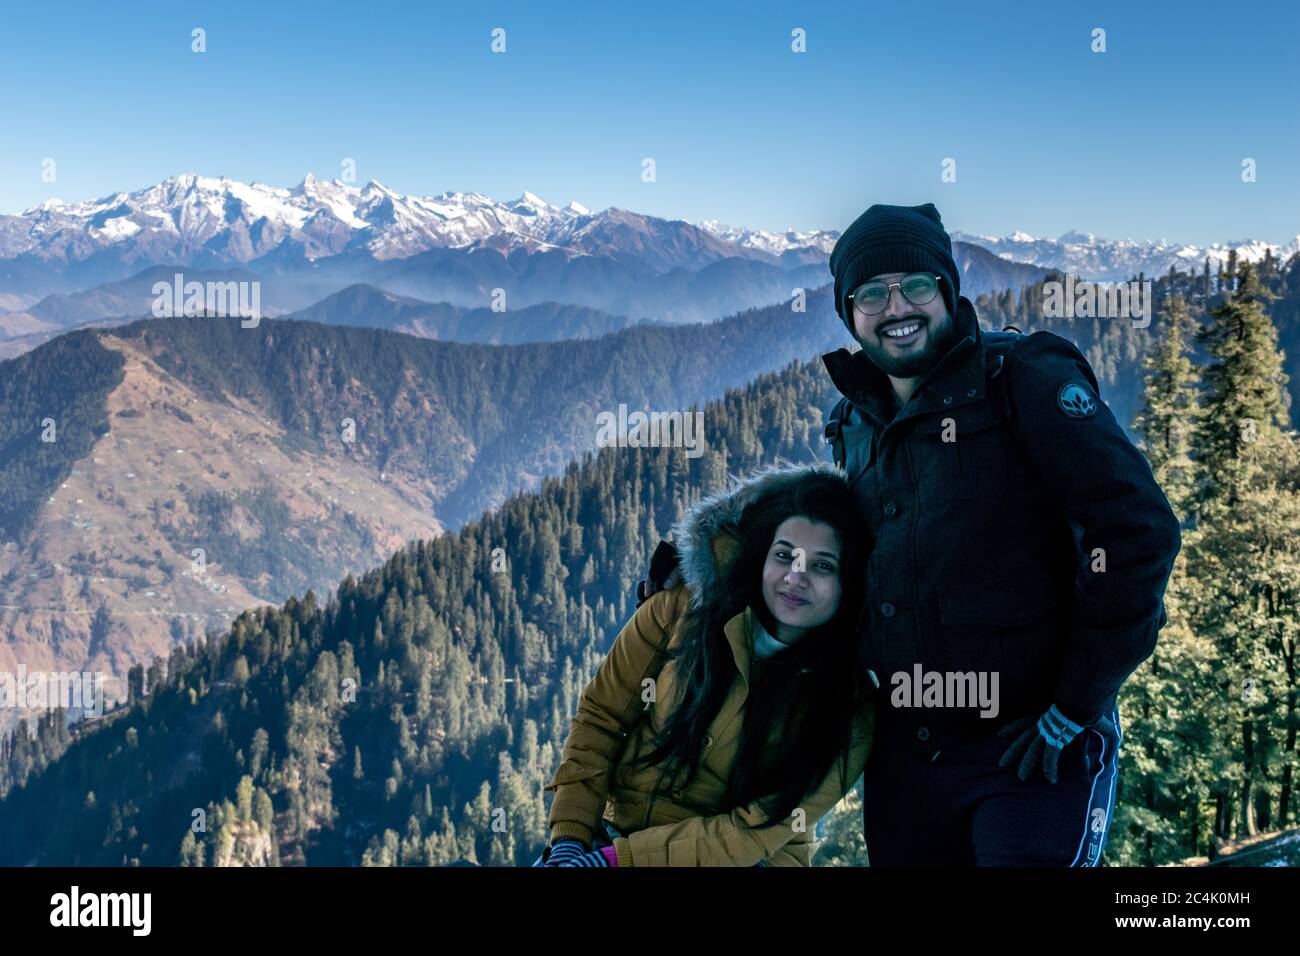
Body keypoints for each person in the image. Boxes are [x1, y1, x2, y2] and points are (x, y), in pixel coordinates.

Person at [638, 202, 1182, 866]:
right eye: (871, 292)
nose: (897, 305)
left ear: (948, 292)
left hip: (1034, 750)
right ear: (849, 312)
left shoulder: (1025, 380)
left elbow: (1137, 531)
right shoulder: (854, 420)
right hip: (909, 758)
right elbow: (833, 525)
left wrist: (1074, 705)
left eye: (915, 285)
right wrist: (702, 558)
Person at [537, 462, 875, 867]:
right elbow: (601, 716)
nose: (795, 577)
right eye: (784, 555)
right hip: (612, 837)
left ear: (850, 582)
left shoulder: (850, 709)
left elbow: (748, 832)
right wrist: (570, 841)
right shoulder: (684, 607)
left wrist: (612, 862)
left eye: (822, 565)